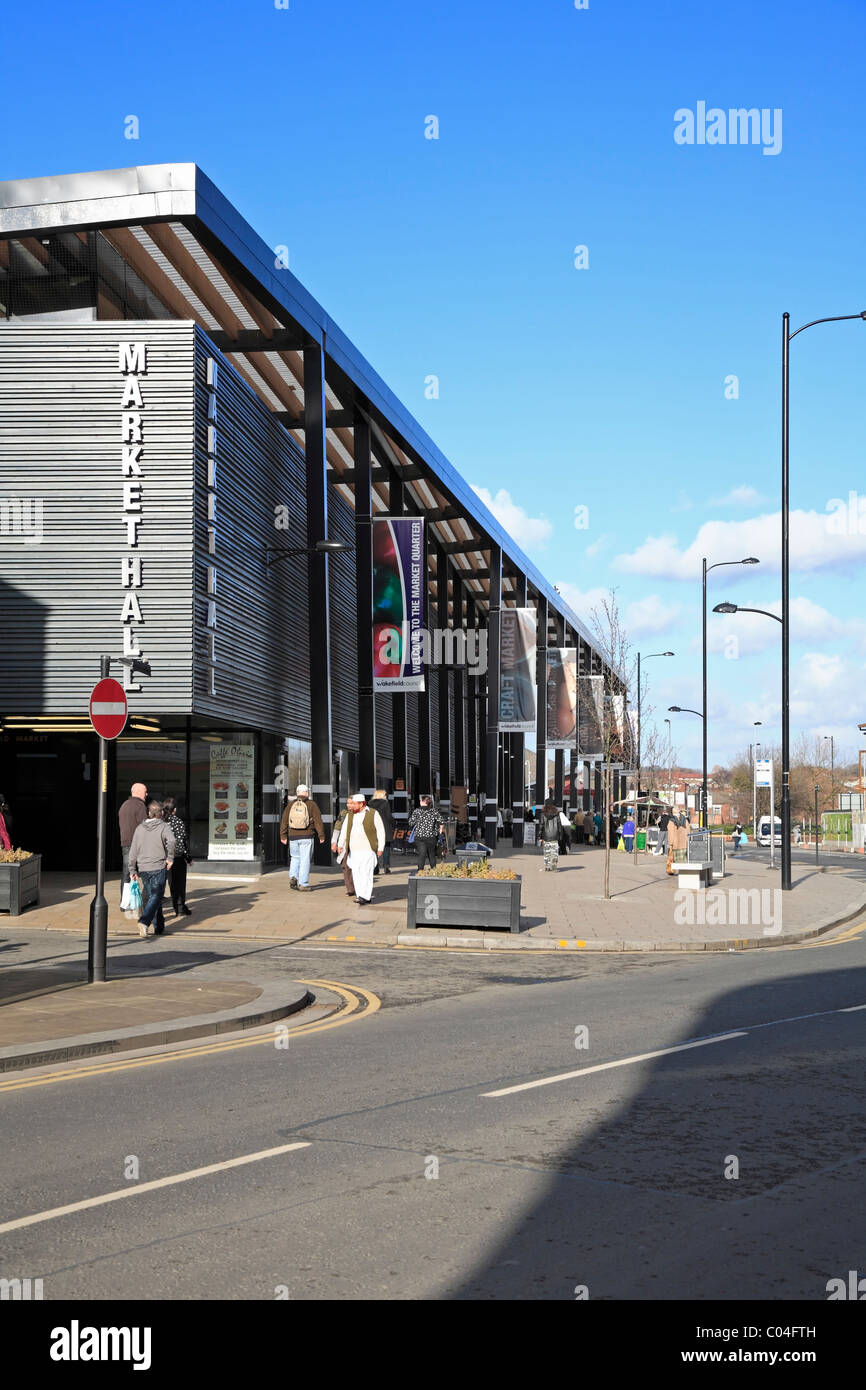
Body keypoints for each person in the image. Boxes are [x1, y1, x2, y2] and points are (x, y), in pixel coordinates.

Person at [129, 799, 176, 938]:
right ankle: (144, 922)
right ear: (161, 813)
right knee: (156, 896)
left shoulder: (139, 828)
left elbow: (133, 850)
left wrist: (132, 869)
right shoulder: (164, 826)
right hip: (158, 866)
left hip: (143, 868)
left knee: (153, 897)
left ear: (149, 813)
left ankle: (159, 926)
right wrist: (171, 858)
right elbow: (172, 841)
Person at [336, 792, 385, 904]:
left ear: (362, 803)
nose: (351, 806)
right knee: (357, 873)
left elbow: (381, 831)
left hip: (368, 850)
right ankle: (359, 895)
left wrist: (380, 847)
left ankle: (366, 896)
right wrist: (340, 845)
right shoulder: (350, 815)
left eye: (354, 804)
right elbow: (344, 831)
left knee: (366, 873)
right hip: (354, 850)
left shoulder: (373, 813)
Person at [280, 784, 325, 892]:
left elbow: (284, 820)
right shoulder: (312, 805)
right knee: (305, 860)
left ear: (297, 793)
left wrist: (283, 835)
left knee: (295, 857)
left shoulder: (291, 804)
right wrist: (321, 835)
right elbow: (318, 821)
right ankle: (303, 883)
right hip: (307, 836)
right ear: (307, 793)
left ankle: (293, 876)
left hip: (293, 836)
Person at [118, 782, 147, 902]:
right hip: (137, 845)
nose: (146, 794)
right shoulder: (140, 806)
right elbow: (144, 826)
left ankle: (125, 902)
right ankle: (147, 899)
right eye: (145, 791)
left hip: (125, 843)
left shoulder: (124, 805)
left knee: (127, 872)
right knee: (146, 871)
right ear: (139, 792)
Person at [162, 797, 192, 917]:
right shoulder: (178, 822)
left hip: (161, 857)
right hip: (176, 858)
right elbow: (181, 844)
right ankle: (179, 908)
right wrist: (188, 857)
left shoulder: (160, 822)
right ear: (174, 810)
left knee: (166, 884)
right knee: (178, 884)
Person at [408, 795, 444, 872]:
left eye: (421, 800)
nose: (420, 802)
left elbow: (411, 823)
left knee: (422, 854)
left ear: (424, 802)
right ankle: (434, 871)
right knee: (431, 855)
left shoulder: (417, 811)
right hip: (431, 837)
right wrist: (440, 831)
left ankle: (420, 871)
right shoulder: (434, 811)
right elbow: (441, 822)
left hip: (419, 836)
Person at [331, 801, 355, 896]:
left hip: (357, 844)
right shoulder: (344, 813)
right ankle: (350, 889)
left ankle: (356, 887)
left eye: (351, 803)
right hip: (345, 844)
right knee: (345, 865)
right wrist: (334, 842)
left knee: (355, 867)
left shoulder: (361, 814)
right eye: (348, 803)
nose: (349, 805)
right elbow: (337, 828)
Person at [369, 789, 394, 874]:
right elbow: (388, 816)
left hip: (373, 828)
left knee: (375, 849)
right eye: (385, 795)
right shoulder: (385, 803)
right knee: (386, 848)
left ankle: (375, 868)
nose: (386, 796)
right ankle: (386, 867)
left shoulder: (370, 804)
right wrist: (393, 822)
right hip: (385, 828)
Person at [540, 799, 561, 870]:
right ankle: (554, 860)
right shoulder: (557, 814)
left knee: (547, 852)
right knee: (554, 850)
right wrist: (560, 834)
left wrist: (539, 836)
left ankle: (547, 866)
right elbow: (559, 825)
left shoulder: (543, 814)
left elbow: (541, 825)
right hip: (555, 835)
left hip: (546, 836)